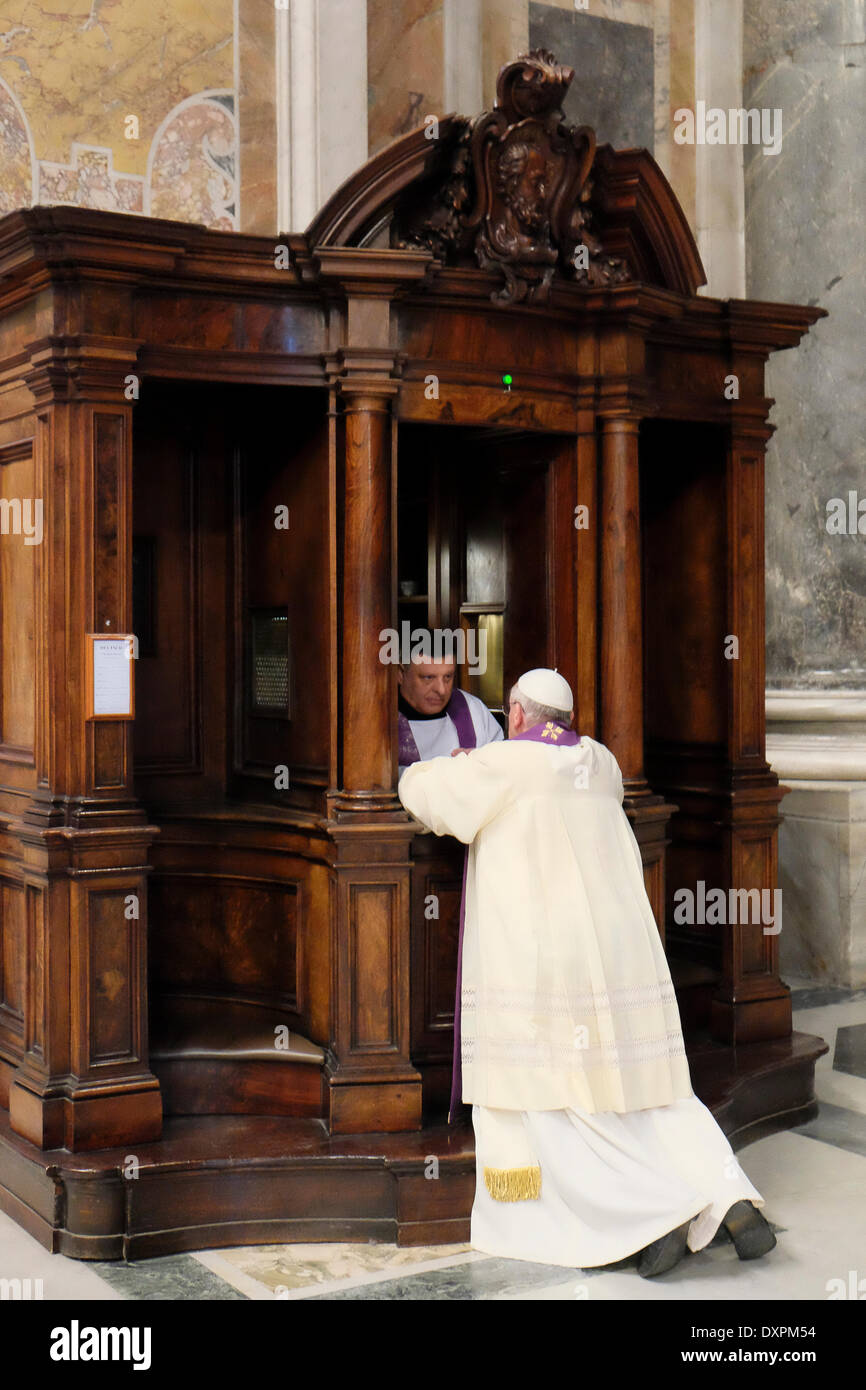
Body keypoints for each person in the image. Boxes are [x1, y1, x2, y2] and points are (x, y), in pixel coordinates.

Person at [398, 667, 776, 1277]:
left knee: (566, 1104)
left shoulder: (508, 764)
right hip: (614, 952)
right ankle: (725, 1190)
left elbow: (431, 793)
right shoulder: (600, 761)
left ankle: (656, 1218)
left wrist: (425, 768)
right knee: (647, 1095)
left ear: (516, 715)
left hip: (546, 957)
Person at [398, 652, 503, 778]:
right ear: (400, 674)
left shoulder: (472, 709)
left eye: (448, 677)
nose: (441, 690)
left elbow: (501, 770)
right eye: (428, 678)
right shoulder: (379, 718)